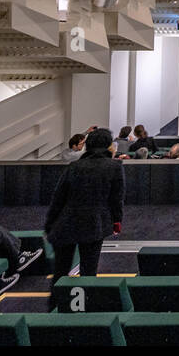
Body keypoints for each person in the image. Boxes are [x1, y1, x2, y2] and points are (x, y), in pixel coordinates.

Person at [45, 127, 123, 310]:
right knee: (88, 271)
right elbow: (116, 199)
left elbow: (58, 198)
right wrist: (116, 222)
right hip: (94, 224)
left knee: (60, 272)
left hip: (66, 224)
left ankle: (53, 311)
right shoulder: (114, 167)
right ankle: (85, 311)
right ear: (107, 145)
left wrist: (49, 224)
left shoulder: (74, 167)